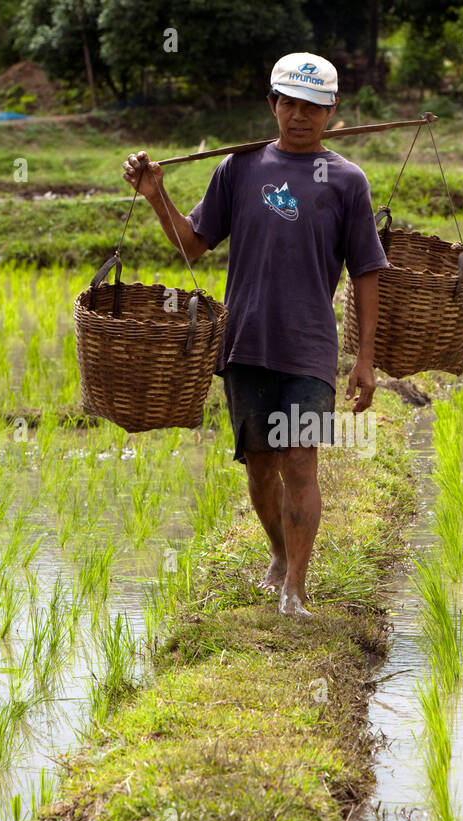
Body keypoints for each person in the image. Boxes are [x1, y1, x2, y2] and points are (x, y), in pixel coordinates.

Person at [121, 52, 388, 618]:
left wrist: (365, 360)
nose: (299, 116)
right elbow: (193, 244)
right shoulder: (239, 169)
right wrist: (154, 195)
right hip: (245, 342)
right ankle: (276, 551)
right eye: (289, 103)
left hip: (310, 348)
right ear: (272, 104)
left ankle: (297, 583)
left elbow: (367, 271)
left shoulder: (346, 181)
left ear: (332, 110)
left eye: (313, 106)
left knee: (301, 462)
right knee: (261, 467)